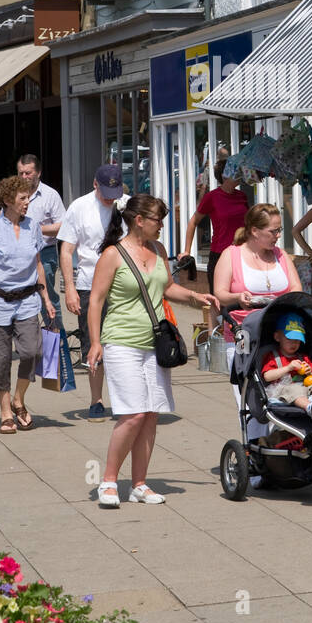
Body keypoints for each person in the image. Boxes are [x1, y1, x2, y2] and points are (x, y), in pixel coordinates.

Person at [86, 193, 217, 508]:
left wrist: (194, 297)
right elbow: (96, 300)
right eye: (158, 220)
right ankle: (108, 481)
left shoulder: (158, 250)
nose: (162, 226)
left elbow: (165, 288)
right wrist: (95, 342)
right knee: (132, 415)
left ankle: (140, 484)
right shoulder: (113, 254)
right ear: (139, 220)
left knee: (150, 415)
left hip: (156, 343)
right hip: (121, 341)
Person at [0, 175, 56, 435]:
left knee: (32, 351)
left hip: (28, 300)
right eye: (22, 198)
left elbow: (38, 264)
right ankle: (6, 412)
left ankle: (18, 399)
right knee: (0, 359)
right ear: (8, 200)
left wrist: (47, 299)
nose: (27, 202)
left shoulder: (33, 226)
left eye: (28, 197)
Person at [58, 164, 126, 422]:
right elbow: (67, 251)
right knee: (92, 342)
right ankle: (96, 400)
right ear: (95, 184)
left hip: (122, 285)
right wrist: (70, 288)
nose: (110, 197)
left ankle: (122, 399)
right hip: (88, 283)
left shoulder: (126, 205)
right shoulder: (79, 207)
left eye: (115, 192)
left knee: (121, 343)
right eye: (106, 191)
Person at [213, 204, 303, 331]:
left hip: (280, 330)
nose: (278, 235)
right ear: (254, 231)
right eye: (273, 231)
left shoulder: (281, 254)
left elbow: (296, 287)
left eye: (279, 230)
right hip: (243, 331)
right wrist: (237, 297)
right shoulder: (231, 254)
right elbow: (220, 293)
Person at [180, 160, 248, 293]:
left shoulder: (242, 196)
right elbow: (193, 221)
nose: (240, 175)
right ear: (225, 175)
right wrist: (187, 251)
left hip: (242, 253)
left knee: (242, 297)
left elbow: (249, 223)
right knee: (218, 299)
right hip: (220, 254)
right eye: (236, 172)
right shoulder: (212, 197)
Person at [17, 154, 65, 328]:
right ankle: (30, 340)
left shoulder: (50, 195)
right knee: (21, 299)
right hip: (19, 255)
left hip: (45, 253)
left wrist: (36, 230)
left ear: (38, 172)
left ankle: (56, 338)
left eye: (28, 173)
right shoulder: (13, 195)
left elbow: (62, 226)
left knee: (48, 298)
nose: (24, 177)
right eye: (21, 173)